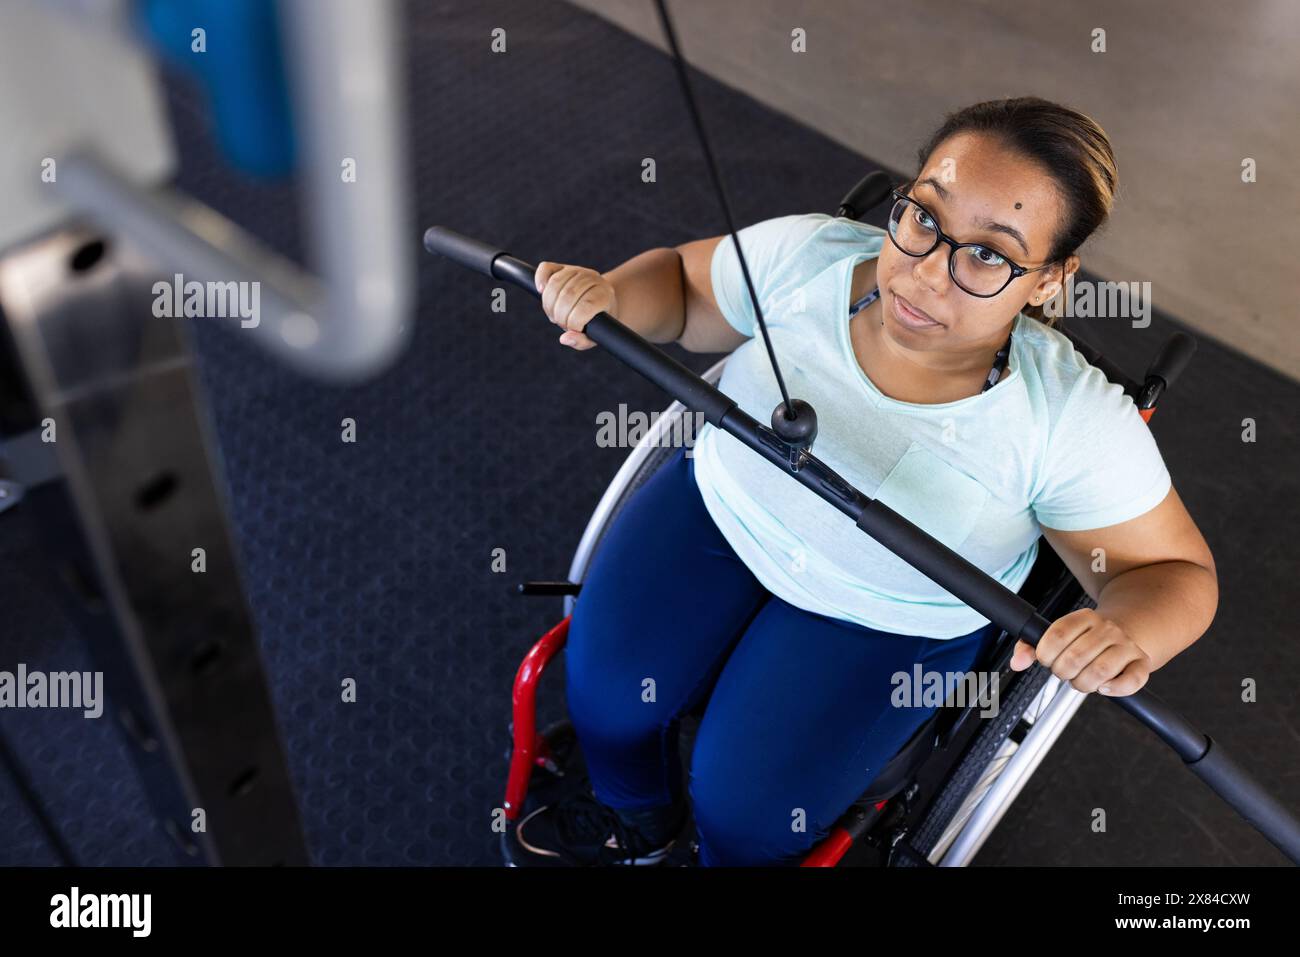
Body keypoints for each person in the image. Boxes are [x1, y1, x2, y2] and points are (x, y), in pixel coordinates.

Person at [514, 96, 1218, 867]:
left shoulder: (1067, 416)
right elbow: (683, 287)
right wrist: (613, 293)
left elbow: (1172, 571)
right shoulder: (809, 257)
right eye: (924, 218)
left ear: (1050, 279)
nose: (925, 274)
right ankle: (632, 819)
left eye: (989, 254)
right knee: (607, 703)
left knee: (747, 811)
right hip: (722, 509)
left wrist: (1128, 628)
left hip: (887, 615)